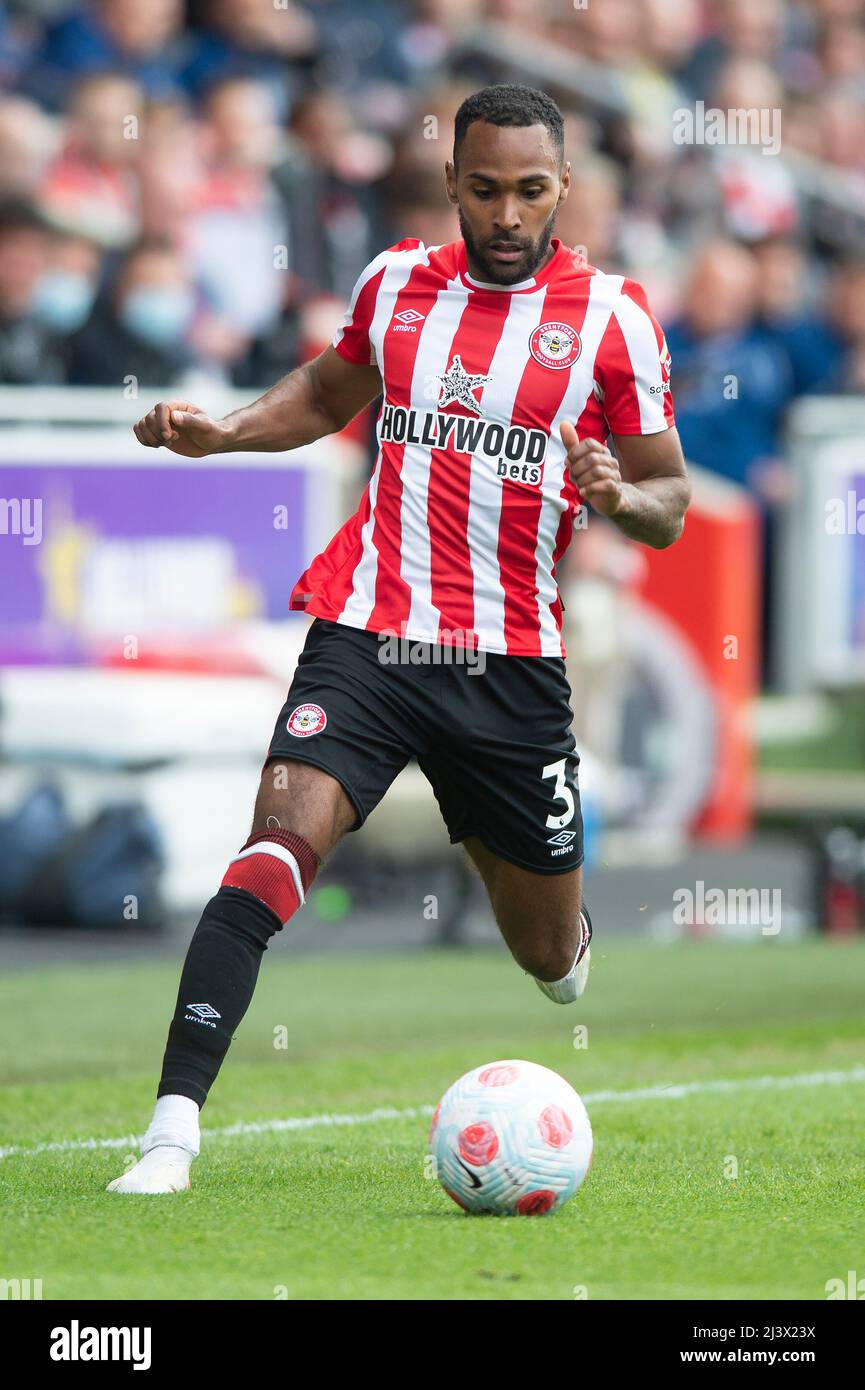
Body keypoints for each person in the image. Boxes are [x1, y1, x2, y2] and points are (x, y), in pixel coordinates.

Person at [112, 83, 690, 1194]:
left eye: (531, 191)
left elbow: (668, 495)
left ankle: (555, 927)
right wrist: (223, 433)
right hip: (370, 633)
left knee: (545, 957)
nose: (508, 215)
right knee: (274, 844)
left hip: (508, 665)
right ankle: (170, 1134)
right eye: (486, 190)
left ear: (563, 188)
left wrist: (620, 496)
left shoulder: (613, 318)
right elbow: (326, 393)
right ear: (452, 185)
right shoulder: (394, 284)